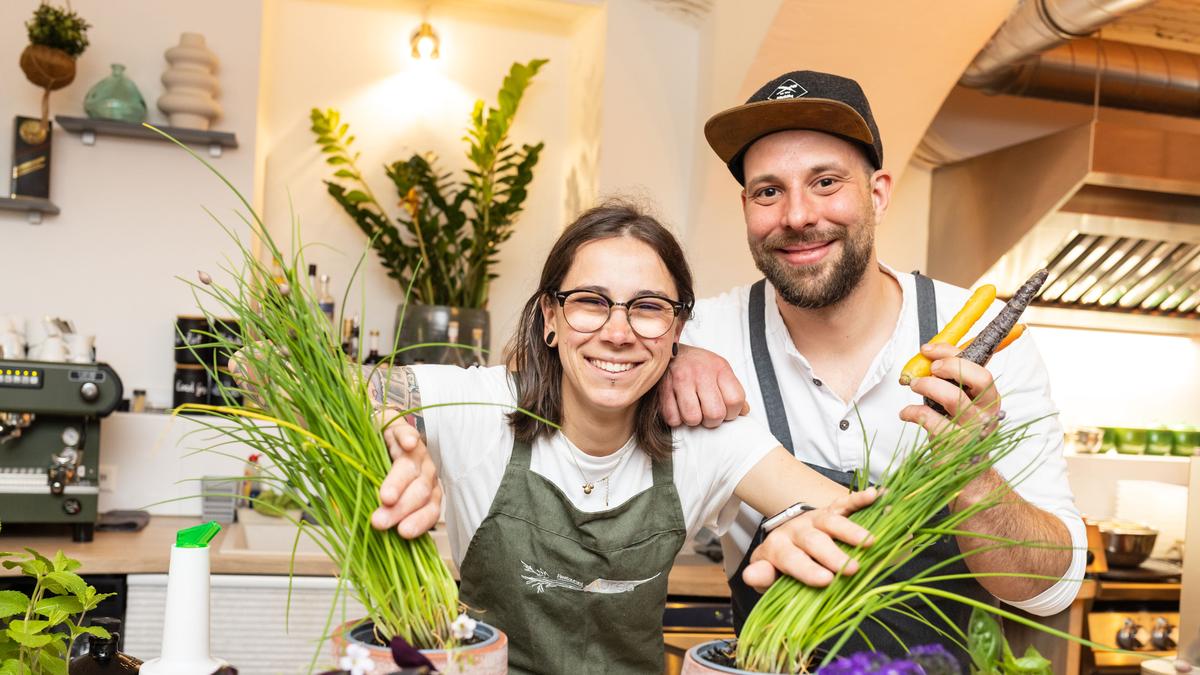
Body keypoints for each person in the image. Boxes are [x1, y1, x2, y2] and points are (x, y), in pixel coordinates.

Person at [658, 70, 1087, 659]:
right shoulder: (704, 334)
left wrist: (972, 470)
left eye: (826, 181)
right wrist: (662, 359)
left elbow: (1049, 588)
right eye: (768, 191)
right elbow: (549, 375)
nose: (798, 215)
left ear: (878, 193)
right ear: (746, 207)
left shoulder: (987, 338)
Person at [368, 202, 879, 674]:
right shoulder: (481, 407)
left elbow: (866, 523)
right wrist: (391, 431)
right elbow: (338, 387)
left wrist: (804, 529)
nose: (618, 332)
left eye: (649, 307)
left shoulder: (704, 436)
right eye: (591, 302)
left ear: (678, 327)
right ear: (550, 317)